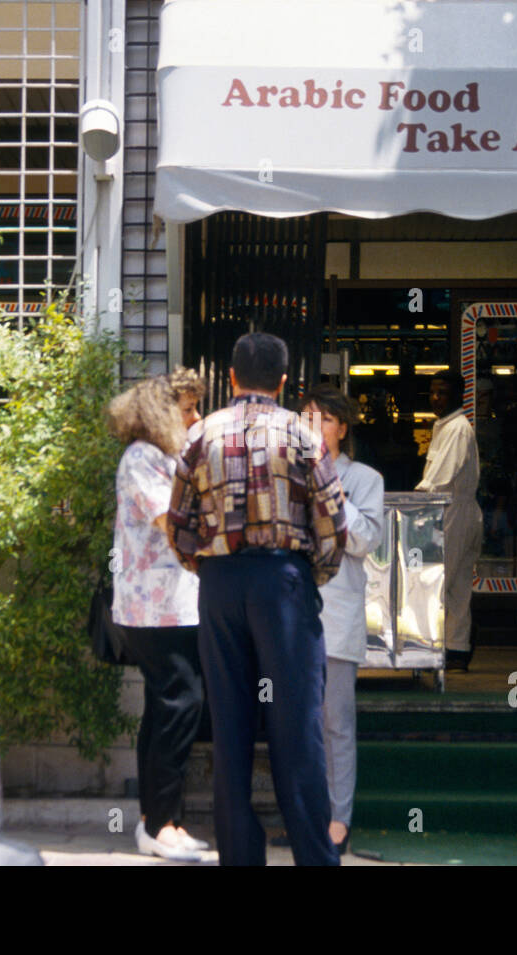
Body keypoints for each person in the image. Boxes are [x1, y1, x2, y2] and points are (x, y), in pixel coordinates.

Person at [167, 332, 348, 866]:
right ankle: (315, 857)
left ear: (231, 376)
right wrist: (308, 575)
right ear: (285, 381)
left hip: (220, 585)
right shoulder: (302, 433)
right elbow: (333, 524)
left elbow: (178, 524)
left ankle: (241, 858)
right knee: (298, 731)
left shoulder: (201, 434)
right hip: (283, 586)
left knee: (231, 730)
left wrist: (203, 565)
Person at [106, 369, 209, 862]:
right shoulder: (143, 457)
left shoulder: (164, 456)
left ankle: (160, 820)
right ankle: (159, 825)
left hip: (171, 605)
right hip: (155, 607)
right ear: (162, 412)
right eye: (188, 408)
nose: (196, 416)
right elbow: (173, 524)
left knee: (166, 707)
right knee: (181, 703)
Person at [300, 384, 385, 856]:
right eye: (308, 417)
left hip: (338, 612)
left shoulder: (365, 479)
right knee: (296, 722)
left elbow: (365, 540)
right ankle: (303, 813)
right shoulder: (285, 470)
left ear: (342, 428)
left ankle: (337, 818)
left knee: (336, 723)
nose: (316, 426)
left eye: (326, 419)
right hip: (292, 613)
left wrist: (327, 481)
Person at [415, 371, 483, 671]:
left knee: (439, 581)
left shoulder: (457, 428)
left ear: (458, 395)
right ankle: (457, 648)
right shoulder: (445, 426)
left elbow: (438, 479)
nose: (435, 398)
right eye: (432, 392)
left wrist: (412, 500)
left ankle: (427, 646)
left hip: (453, 509)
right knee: (455, 585)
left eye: (442, 393)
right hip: (456, 509)